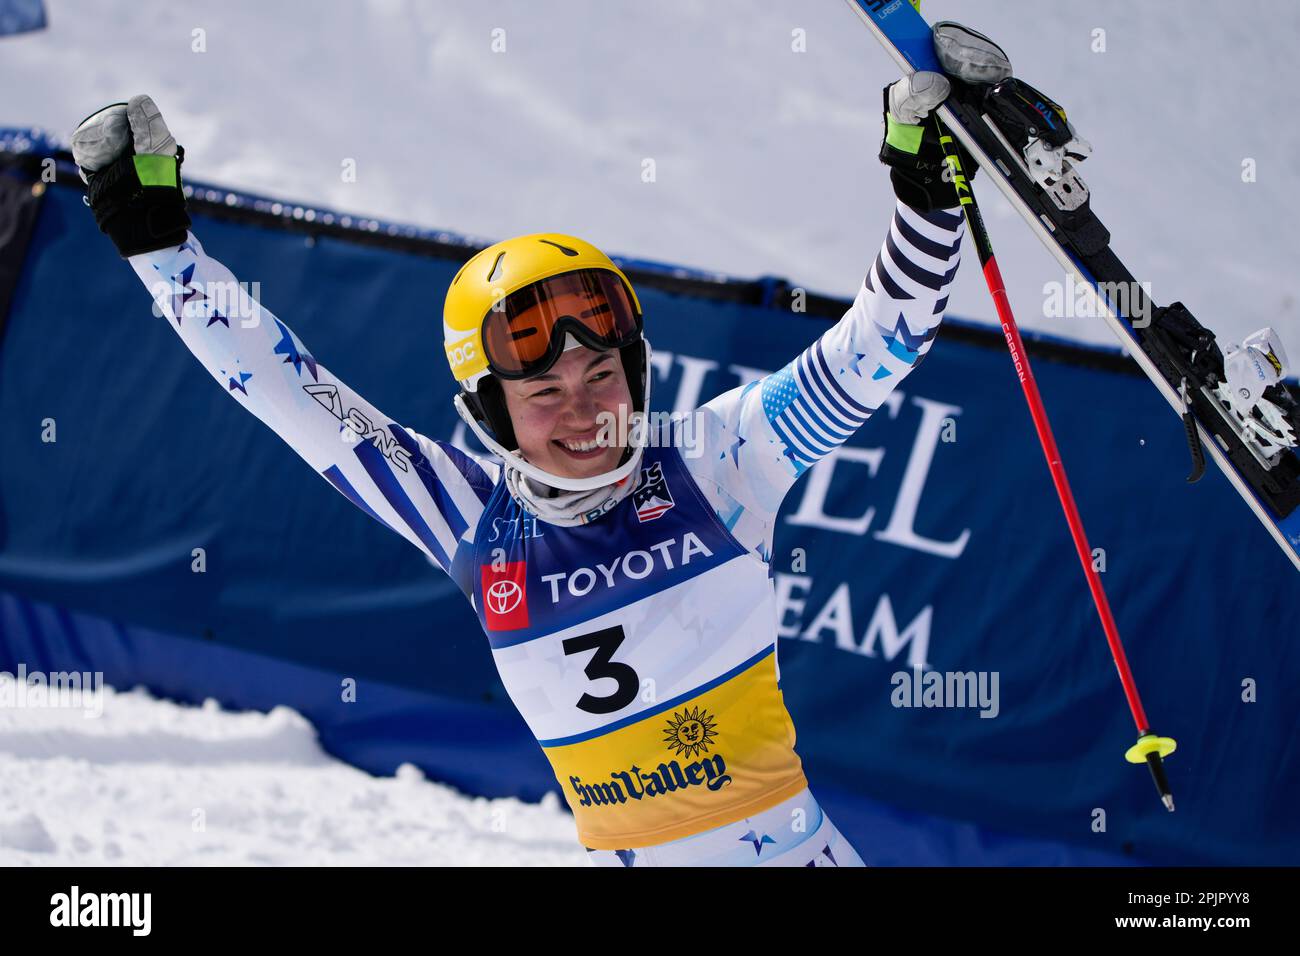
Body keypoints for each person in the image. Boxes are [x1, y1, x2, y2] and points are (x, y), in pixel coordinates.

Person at [71, 26, 1008, 867]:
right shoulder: (465, 514)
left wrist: (923, 196)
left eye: (603, 376)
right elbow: (287, 391)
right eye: (543, 393)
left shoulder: (722, 460)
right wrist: (162, 252)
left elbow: (887, 338)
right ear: (488, 413)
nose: (583, 411)